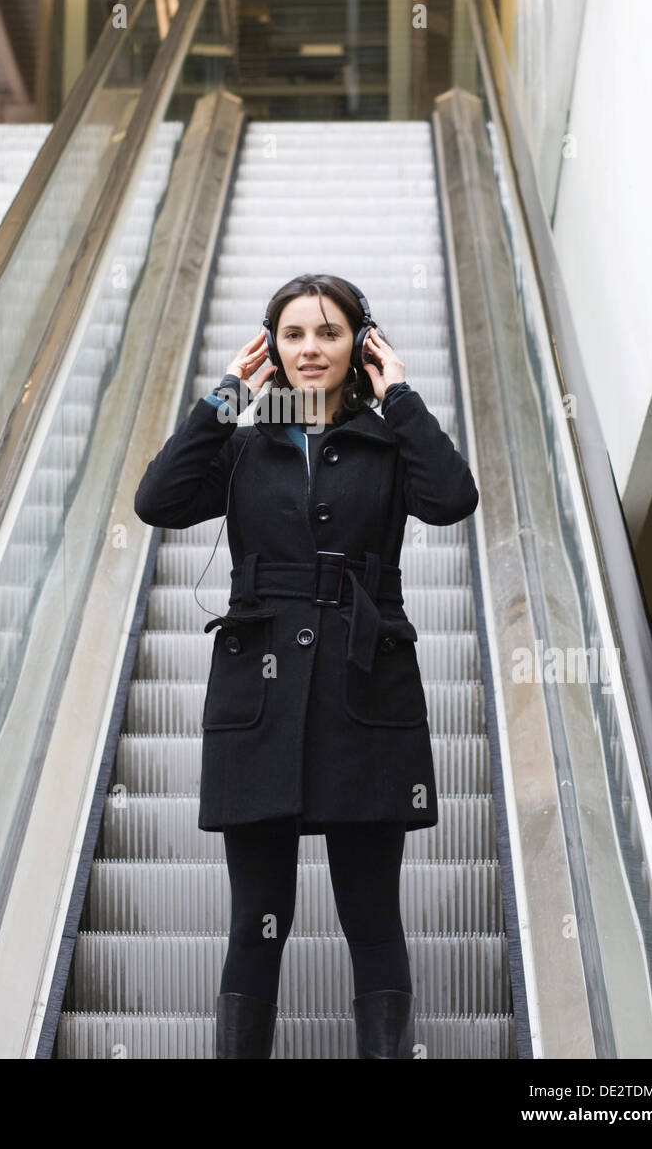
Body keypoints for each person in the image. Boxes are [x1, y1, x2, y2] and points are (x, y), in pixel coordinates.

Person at [134, 274, 479, 1059]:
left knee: (371, 912)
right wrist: (225, 394)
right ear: (272, 348)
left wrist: (401, 398)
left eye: (328, 333)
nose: (309, 349)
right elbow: (157, 500)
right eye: (293, 335)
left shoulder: (388, 438)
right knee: (258, 914)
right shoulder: (246, 444)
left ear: (360, 343)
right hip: (256, 696)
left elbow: (452, 499)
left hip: (366, 686)